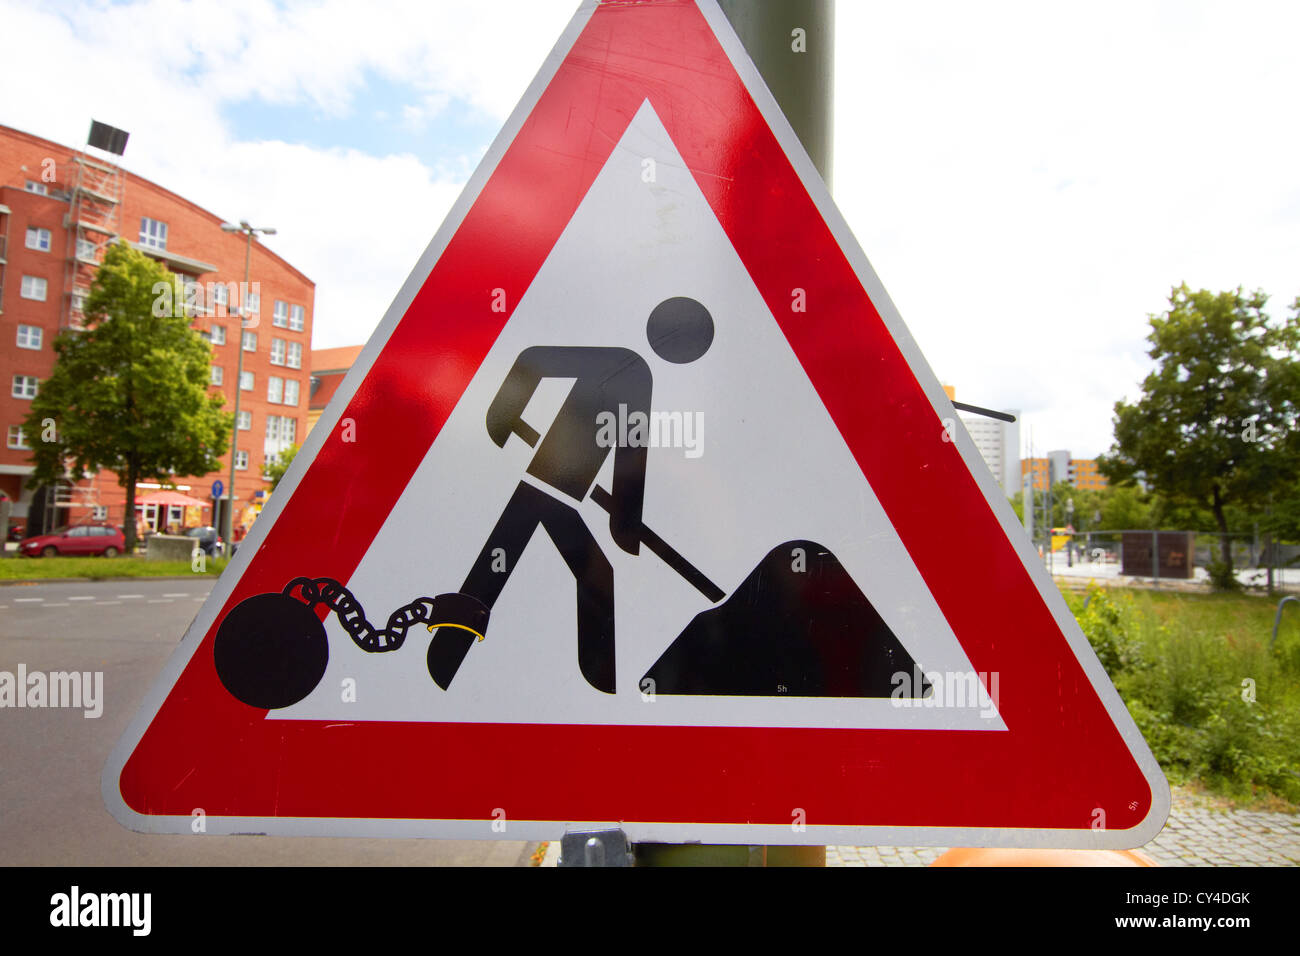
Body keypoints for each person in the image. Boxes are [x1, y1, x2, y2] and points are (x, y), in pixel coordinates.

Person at [427, 297, 715, 694]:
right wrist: (503, 417)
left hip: (558, 492)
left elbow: (631, 456)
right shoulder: (621, 366)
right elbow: (532, 362)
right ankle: (600, 686)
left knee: (511, 564)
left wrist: (625, 520)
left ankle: (449, 659)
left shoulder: (635, 376)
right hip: (545, 484)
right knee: (559, 570)